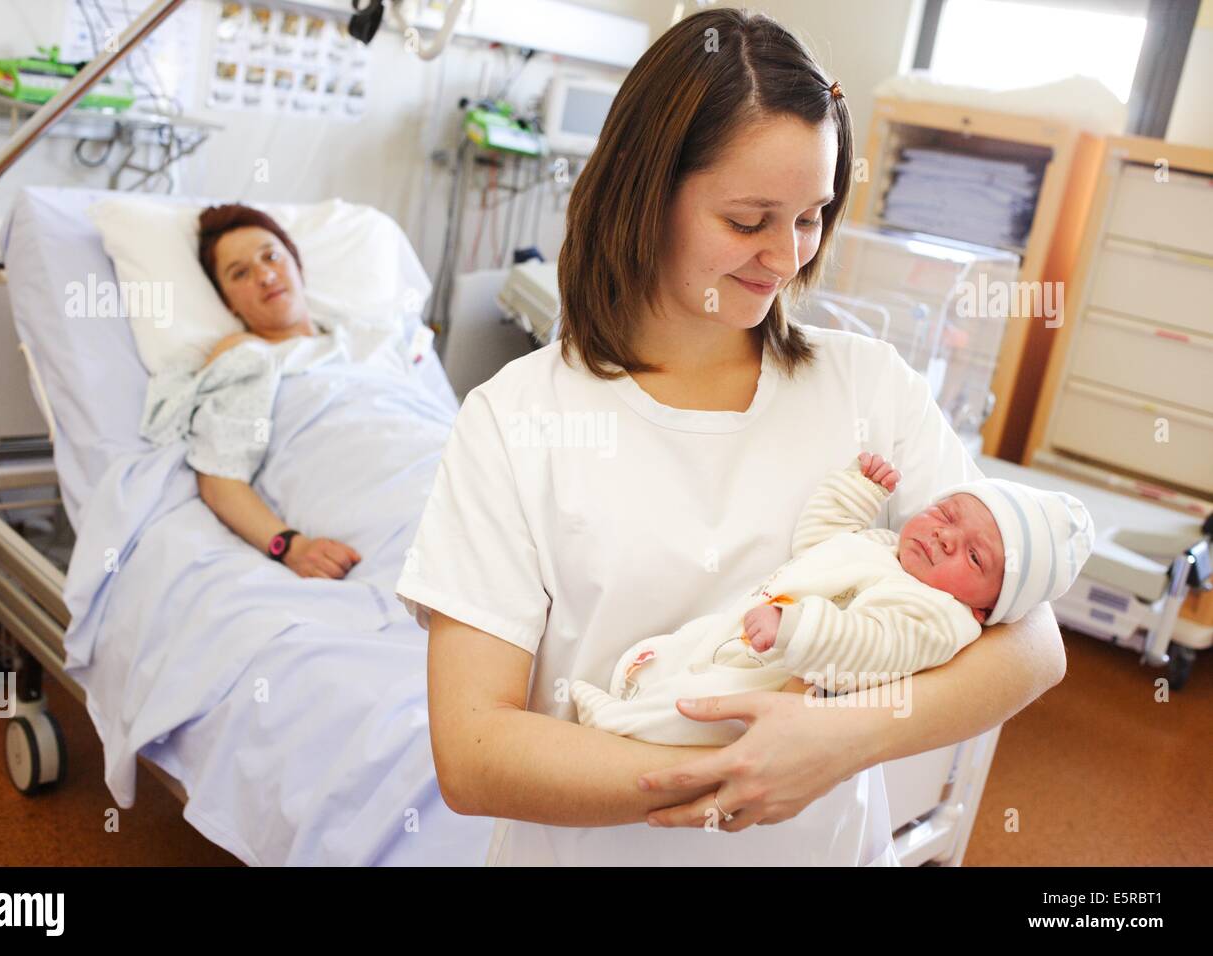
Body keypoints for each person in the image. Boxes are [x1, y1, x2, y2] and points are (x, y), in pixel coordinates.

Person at [394, 8, 1068, 866]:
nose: (786, 258)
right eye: (749, 221)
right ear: (647, 194)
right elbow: (475, 749)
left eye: (812, 217)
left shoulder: (868, 388)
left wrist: (835, 741)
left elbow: (1031, 644)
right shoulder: (515, 421)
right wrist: (738, 771)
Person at [570, 451, 1095, 746]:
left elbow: (873, 647)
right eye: (947, 514)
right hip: (747, 630)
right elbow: (822, 548)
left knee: (700, 714)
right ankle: (627, 694)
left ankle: (615, 727)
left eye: (975, 557)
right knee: (680, 650)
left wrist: (800, 630)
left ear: (986, 609)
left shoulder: (939, 617)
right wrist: (856, 493)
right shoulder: (886, 548)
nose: (944, 538)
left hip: (780, 673)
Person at [189, 203, 361, 580]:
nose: (265, 275)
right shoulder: (250, 357)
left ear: (298, 267)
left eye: (271, 256)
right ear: (228, 303)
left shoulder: (370, 339)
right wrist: (291, 546)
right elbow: (219, 478)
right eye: (240, 273)